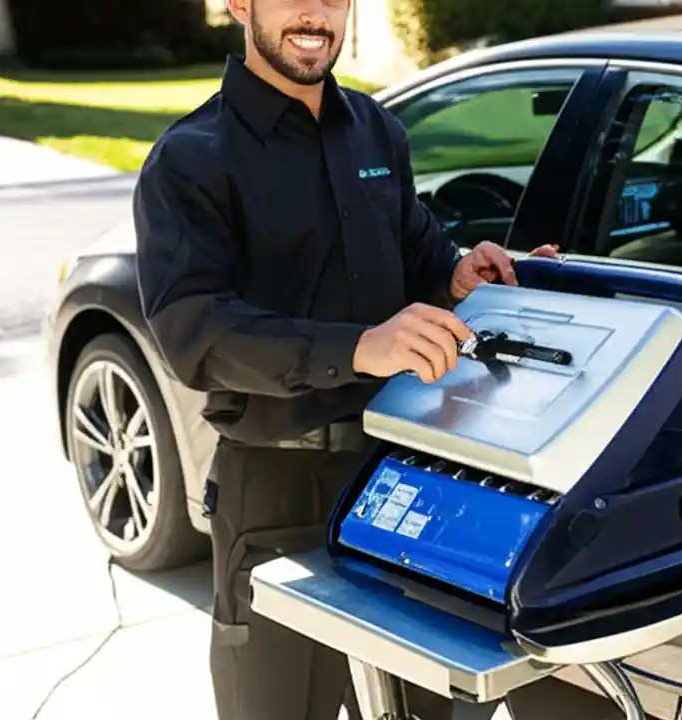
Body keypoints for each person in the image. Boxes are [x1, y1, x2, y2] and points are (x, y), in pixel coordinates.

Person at [132, 1, 634, 719]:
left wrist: (459, 277)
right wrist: (361, 347)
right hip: (275, 487)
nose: (315, 13)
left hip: (399, 474)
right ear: (239, 4)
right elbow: (195, 333)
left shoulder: (375, 130)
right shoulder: (188, 160)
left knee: (424, 707)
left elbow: (418, 256)